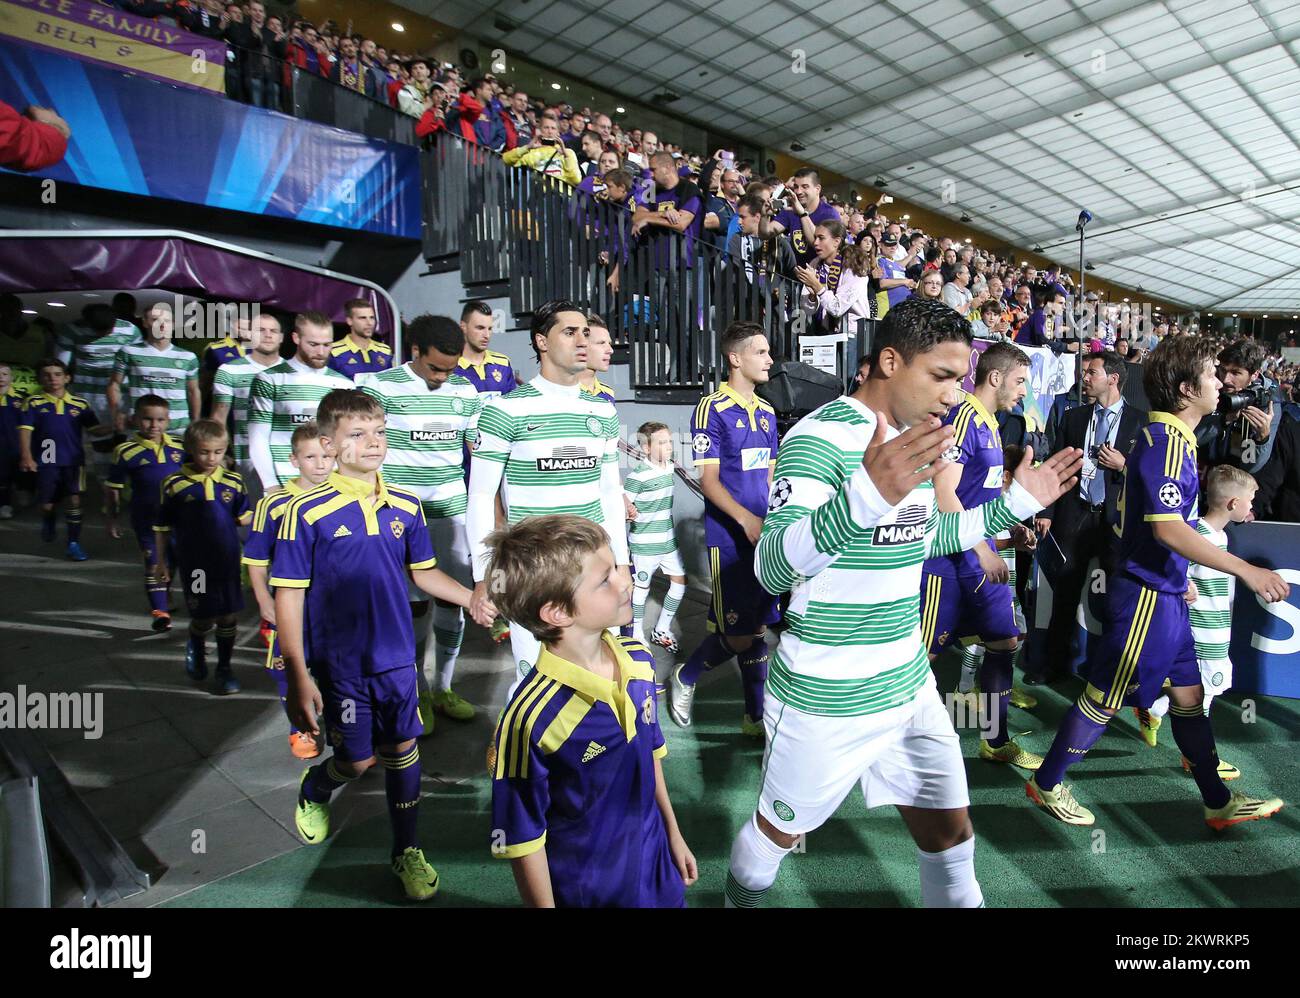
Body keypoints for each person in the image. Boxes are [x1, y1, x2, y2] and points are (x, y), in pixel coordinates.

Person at [722, 296, 1082, 909]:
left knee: (952, 837)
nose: (952, 393)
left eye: (959, 379)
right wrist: (863, 496)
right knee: (778, 833)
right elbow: (772, 564)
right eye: (940, 376)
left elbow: (924, 537)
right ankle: (738, 898)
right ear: (890, 361)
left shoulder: (919, 442)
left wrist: (1015, 504)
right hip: (825, 692)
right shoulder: (820, 438)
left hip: (908, 683)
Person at [1027, 336, 1287, 829]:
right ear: (1187, 389)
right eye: (1214, 374)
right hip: (1144, 596)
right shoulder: (1167, 444)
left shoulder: (1168, 436)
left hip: (1161, 590)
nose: (1223, 382)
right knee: (1105, 694)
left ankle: (1216, 801)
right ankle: (1046, 783)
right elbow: (1168, 528)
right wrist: (1246, 570)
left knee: (1188, 695)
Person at [274, 389, 491, 901]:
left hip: (397, 658)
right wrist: (298, 674)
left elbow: (425, 572)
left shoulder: (407, 505)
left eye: (379, 431)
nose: (373, 443)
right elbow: (288, 597)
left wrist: (472, 599)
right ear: (328, 444)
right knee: (357, 762)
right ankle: (318, 787)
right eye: (357, 434)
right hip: (341, 662)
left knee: (402, 749)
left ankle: (407, 850)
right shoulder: (304, 513)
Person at [485, 514, 696, 907]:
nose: (625, 580)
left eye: (617, 565)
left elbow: (649, 754)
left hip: (657, 871)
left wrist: (673, 833)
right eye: (605, 579)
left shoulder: (639, 660)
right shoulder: (529, 720)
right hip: (590, 891)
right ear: (558, 613)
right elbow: (523, 839)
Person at [467, 301, 629, 688]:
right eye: (569, 332)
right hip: (534, 568)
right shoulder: (504, 410)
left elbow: (609, 491)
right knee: (536, 678)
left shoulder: (603, 411)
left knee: (601, 670)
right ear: (542, 341)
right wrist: (484, 577)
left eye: (586, 333)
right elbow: (480, 499)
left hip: (593, 567)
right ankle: (520, 747)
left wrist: (621, 564)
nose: (582, 341)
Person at [917, 342, 1042, 768]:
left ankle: (995, 739)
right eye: (1021, 381)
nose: (1025, 390)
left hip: (982, 559)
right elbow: (944, 490)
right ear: (995, 377)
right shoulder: (964, 418)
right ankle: (870, 738)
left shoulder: (991, 422)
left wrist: (1008, 529)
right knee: (919, 660)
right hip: (948, 564)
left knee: (1004, 642)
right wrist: (978, 547)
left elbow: (977, 496)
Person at [361, 315, 483, 728]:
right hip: (399, 517)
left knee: (453, 603)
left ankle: (443, 687)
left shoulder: (466, 391)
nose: (444, 377)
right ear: (414, 352)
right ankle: (414, 694)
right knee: (412, 609)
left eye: (451, 368)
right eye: (436, 368)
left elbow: (478, 453)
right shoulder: (378, 387)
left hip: (452, 513)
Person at [669, 323, 779, 736]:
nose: (770, 359)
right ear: (735, 358)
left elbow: (769, 477)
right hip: (729, 537)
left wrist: (774, 519)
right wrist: (746, 519)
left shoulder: (767, 412)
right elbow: (709, 481)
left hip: (763, 535)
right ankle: (686, 676)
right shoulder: (711, 409)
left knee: (757, 628)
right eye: (761, 352)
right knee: (736, 634)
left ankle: (755, 715)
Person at [1029, 351, 1146, 685]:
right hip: (1074, 514)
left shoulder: (1142, 421)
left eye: (1091, 372)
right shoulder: (1074, 417)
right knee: (1064, 594)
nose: (1085, 377)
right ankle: (1053, 665)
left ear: (1113, 378)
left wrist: (1125, 465)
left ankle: (1113, 672)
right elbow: (1055, 463)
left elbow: (1151, 476)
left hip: (1116, 521)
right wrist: (1047, 511)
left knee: (1118, 600)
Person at [1139, 465, 1257, 768]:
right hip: (1201, 632)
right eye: (1251, 500)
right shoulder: (1196, 534)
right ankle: (1200, 758)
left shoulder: (1221, 536)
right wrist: (1185, 585)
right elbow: (1175, 569)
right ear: (1233, 503)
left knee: (1194, 690)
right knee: (1203, 695)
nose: (1253, 506)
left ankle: (1151, 709)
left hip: (1218, 629)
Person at [242, 422, 334, 760]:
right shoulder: (274, 504)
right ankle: (301, 727)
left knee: (330, 664)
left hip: (329, 604)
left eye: (327, 456)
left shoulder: (342, 499)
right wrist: (264, 599)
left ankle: (338, 720)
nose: (321, 464)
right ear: (294, 460)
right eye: (311, 457)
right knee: (286, 665)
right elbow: (254, 558)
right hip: (288, 603)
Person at [155, 420, 251, 693]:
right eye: (204, 452)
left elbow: (243, 517)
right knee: (204, 616)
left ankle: (224, 667)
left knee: (229, 616)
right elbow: (161, 526)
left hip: (228, 560)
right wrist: (160, 561)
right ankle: (196, 643)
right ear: (190, 450)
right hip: (195, 564)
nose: (211, 459)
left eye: (218, 452)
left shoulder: (234, 481)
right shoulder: (174, 484)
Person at [19, 358, 112, 560]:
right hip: (46, 460)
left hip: (73, 461)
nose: (53, 379)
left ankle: (73, 542)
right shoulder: (34, 402)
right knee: (47, 505)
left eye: (58, 374)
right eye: (47, 375)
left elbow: (94, 429)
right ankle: (49, 519)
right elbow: (25, 430)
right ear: (40, 379)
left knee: (75, 500)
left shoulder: (80, 404)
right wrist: (26, 456)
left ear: (67, 378)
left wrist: (115, 426)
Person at [247, 311, 352, 489]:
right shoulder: (269, 379)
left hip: (332, 486)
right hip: (285, 483)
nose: (321, 352)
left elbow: (346, 439)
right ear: (296, 338)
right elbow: (258, 437)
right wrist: (270, 485)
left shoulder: (345, 384)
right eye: (313, 344)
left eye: (327, 345)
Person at [106, 395, 186, 631]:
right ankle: (160, 613)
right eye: (147, 419)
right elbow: (113, 488)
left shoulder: (181, 447)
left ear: (168, 420)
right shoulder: (125, 451)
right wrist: (112, 517)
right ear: (135, 419)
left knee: (176, 562)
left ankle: (167, 594)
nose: (154, 425)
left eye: (160, 420)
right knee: (154, 563)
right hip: (147, 520)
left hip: (180, 520)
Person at [624, 421, 687, 652]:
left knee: (680, 583)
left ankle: (661, 629)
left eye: (670, 441)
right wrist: (627, 510)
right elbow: (624, 502)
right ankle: (637, 634)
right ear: (647, 448)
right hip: (644, 544)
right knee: (641, 589)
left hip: (668, 542)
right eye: (662, 443)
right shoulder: (637, 476)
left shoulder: (670, 466)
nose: (669, 446)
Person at [211, 312, 284, 499]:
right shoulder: (229, 371)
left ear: (282, 337)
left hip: (289, 462)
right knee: (252, 521)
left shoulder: (295, 372)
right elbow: (218, 418)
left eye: (273, 331)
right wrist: (219, 455)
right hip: (247, 461)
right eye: (261, 330)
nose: (268, 335)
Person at [108, 303, 200, 436]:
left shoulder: (188, 357)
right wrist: (116, 413)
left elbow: (193, 391)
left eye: (167, 321)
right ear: (145, 323)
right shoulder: (128, 352)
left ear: (173, 324)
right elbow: (114, 384)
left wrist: (196, 420)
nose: (162, 325)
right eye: (155, 320)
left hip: (178, 428)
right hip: (141, 428)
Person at [794, 221, 878, 331]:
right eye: (815, 238)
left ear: (836, 241)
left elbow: (837, 308)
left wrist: (817, 286)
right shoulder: (815, 264)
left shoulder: (853, 264)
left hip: (853, 335)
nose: (815, 242)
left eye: (821, 238)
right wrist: (812, 296)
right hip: (826, 332)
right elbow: (807, 310)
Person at [759, 167, 838, 266]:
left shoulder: (830, 214)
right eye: (796, 187)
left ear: (817, 189)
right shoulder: (790, 209)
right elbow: (765, 234)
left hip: (817, 277)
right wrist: (764, 215)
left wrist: (802, 214)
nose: (798, 192)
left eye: (805, 187)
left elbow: (817, 244)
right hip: (793, 276)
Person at [457, 301, 517, 398]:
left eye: (489, 329)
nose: (487, 335)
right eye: (480, 328)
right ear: (463, 327)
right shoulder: (450, 366)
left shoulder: (503, 363)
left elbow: (512, 405)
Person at [328, 300, 392, 380]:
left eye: (372, 318)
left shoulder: (385, 350)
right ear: (349, 321)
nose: (369, 323)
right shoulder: (333, 351)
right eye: (362, 318)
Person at [0, 362, 23, 518]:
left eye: (4, 374)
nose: (0, 378)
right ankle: (4, 504)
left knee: (23, 496)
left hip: (16, 447)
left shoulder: (22, 400)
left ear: (11, 377)